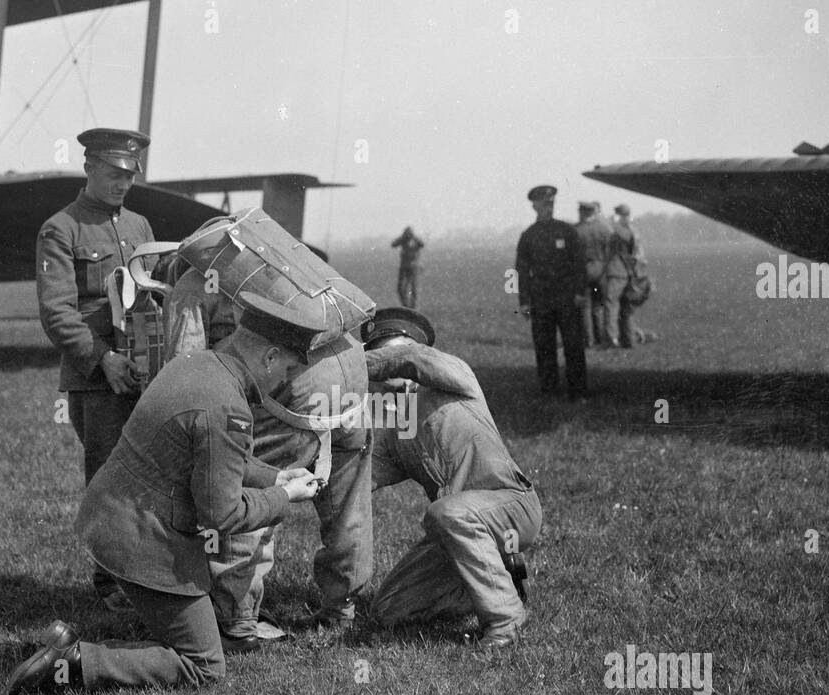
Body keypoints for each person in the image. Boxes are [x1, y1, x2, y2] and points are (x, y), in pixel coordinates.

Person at [4, 293, 328, 695]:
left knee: (194, 634)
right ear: (269, 356)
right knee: (204, 665)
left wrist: (275, 475)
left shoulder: (194, 364)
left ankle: (59, 643)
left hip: (110, 518)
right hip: (142, 544)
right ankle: (71, 663)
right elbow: (222, 515)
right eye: (289, 368)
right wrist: (284, 496)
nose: (287, 380)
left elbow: (220, 457)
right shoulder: (226, 406)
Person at [164, 235, 373, 642]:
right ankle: (343, 606)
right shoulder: (286, 266)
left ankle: (236, 619)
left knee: (249, 494)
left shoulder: (189, 286)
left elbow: (184, 369)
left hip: (294, 390)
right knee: (349, 503)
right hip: (353, 382)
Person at [364, 308, 542, 650]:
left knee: (447, 513)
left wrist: (352, 367)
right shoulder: (396, 428)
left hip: (512, 506)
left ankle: (506, 619)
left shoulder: (457, 377)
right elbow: (358, 478)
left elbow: (410, 357)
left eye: (389, 352)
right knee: (388, 609)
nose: (389, 362)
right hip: (457, 529)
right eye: (379, 353)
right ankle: (497, 574)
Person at [36, 127, 153, 613]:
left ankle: (150, 575)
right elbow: (57, 312)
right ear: (88, 169)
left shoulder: (141, 226)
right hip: (97, 379)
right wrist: (103, 359)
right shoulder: (60, 229)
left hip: (146, 371)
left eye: (129, 174)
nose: (122, 183)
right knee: (110, 479)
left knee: (152, 475)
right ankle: (112, 584)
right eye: (112, 173)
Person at [515, 185, 586, 397]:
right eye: (544, 204)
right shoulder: (528, 235)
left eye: (551, 203)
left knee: (573, 345)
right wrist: (525, 301)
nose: (548, 207)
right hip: (541, 300)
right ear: (534, 206)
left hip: (567, 299)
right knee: (544, 347)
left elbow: (579, 264)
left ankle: (578, 391)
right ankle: (549, 390)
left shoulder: (567, 231)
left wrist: (580, 292)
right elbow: (522, 269)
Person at [607, 203, 658, 347]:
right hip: (635, 272)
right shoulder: (632, 230)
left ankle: (613, 338)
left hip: (625, 271)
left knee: (614, 303)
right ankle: (629, 339)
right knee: (626, 308)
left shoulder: (620, 231)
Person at [573, 200, 612, 347]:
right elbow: (610, 252)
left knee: (584, 307)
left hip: (583, 273)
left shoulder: (575, 230)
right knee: (598, 307)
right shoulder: (604, 229)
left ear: (582, 213)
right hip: (601, 272)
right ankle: (600, 338)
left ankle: (588, 340)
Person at [391, 226, 425, 308]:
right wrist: (404, 239)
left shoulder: (414, 240)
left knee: (411, 288)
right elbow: (393, 244)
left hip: (411, 267)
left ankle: (411, 306)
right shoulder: (405, 240)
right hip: (406, 267)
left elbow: (422, 244)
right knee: (404, 288)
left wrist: (410, 238)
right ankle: (408, 306)